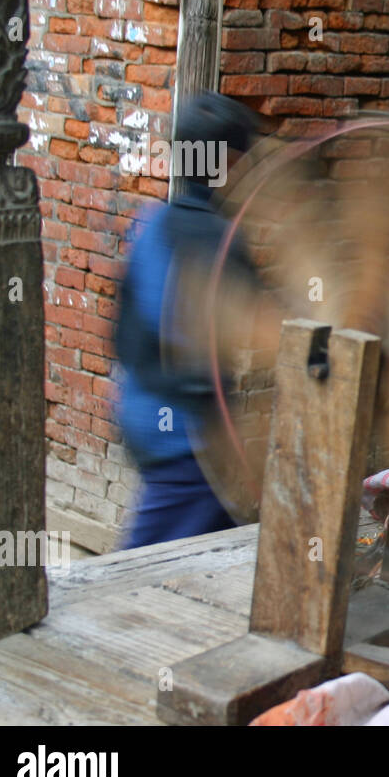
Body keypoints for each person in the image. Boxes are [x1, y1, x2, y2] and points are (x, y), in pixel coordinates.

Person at [115, 91, 262, 549]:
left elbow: (124, 334)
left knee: (221, 546)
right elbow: (240, 335)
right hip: (185, 438)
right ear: (231, 163)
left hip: (139, 410)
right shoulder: (221, 241)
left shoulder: (150, 222)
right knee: (138, 568)